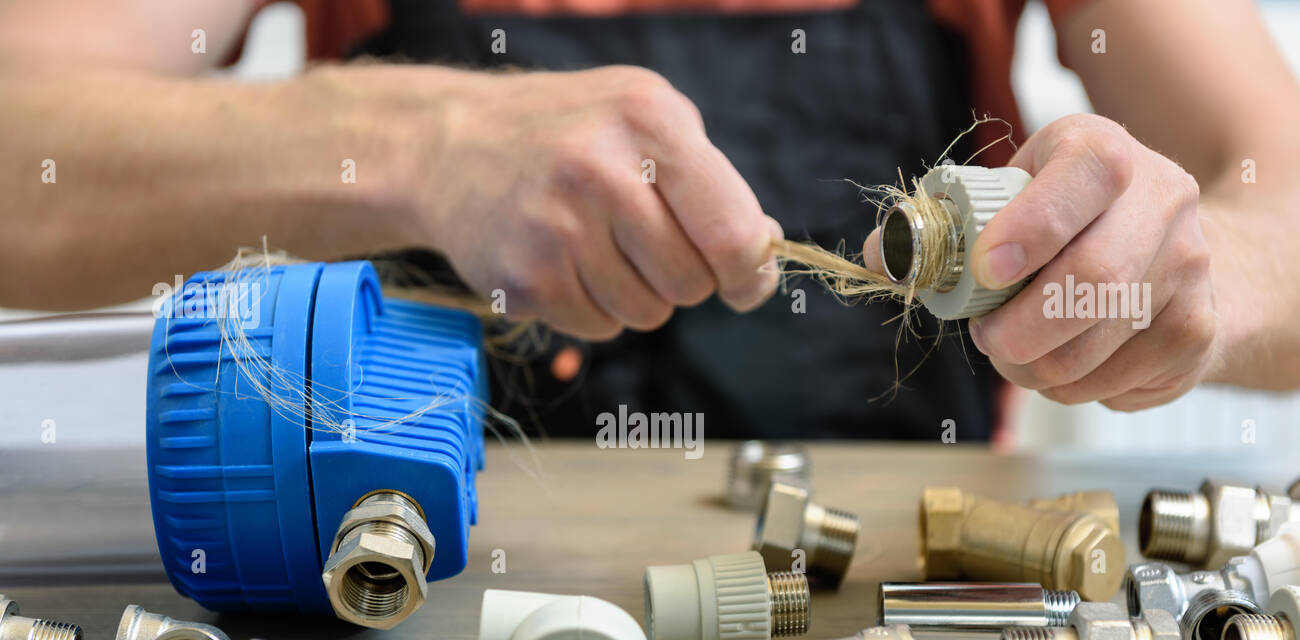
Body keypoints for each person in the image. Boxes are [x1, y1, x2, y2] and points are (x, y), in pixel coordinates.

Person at [2, 0, 1298, 441]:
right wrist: (416, 143)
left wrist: (1206, 276)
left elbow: (1283, 198)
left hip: (905, 610)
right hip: (410, 608)